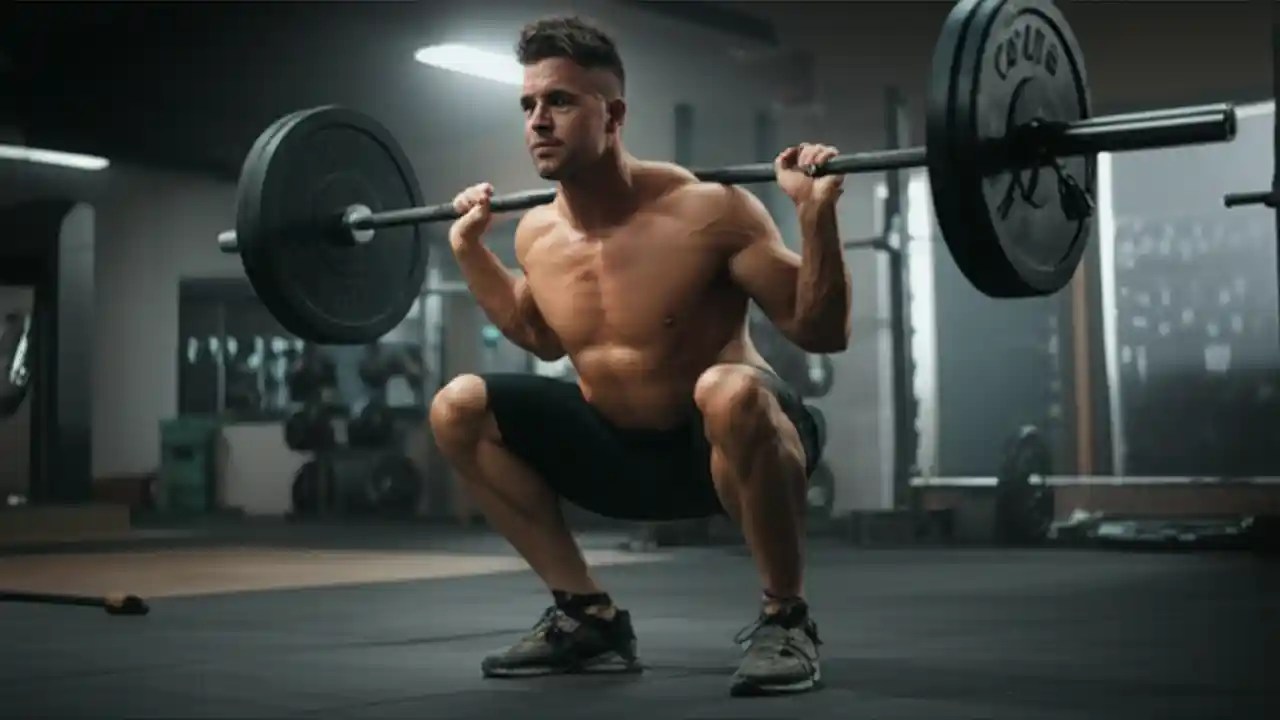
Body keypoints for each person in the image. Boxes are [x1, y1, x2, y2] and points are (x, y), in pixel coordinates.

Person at [429, 15, 850, 697]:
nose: (538, 120)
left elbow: (820, 331)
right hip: (620, 458)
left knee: (728, 390)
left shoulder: (708, 210)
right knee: (457, 407)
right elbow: (539, 338)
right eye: (529, 105)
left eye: (560, 101)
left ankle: (786, 619)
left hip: (726, 448)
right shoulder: (535, 233)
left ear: (614, 114)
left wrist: (815, 216)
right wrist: (469, 252)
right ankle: (585, 616)